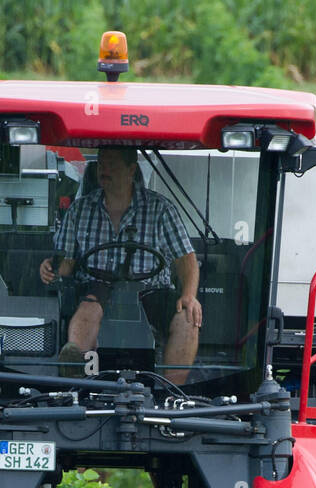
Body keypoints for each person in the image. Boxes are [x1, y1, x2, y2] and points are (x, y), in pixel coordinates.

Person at [39, 145, 202, 382]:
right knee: (88, 309)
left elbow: (186, 259)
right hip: (97, 286)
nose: (104, 169)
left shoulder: (161, 209)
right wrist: (51, 268)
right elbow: (67, 262)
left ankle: (172, 395)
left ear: (131, 170)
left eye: (112, 164)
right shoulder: (79, 209)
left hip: (151, 290)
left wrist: (188, 296)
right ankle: (76, 381)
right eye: (102, 163)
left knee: (188, 318)